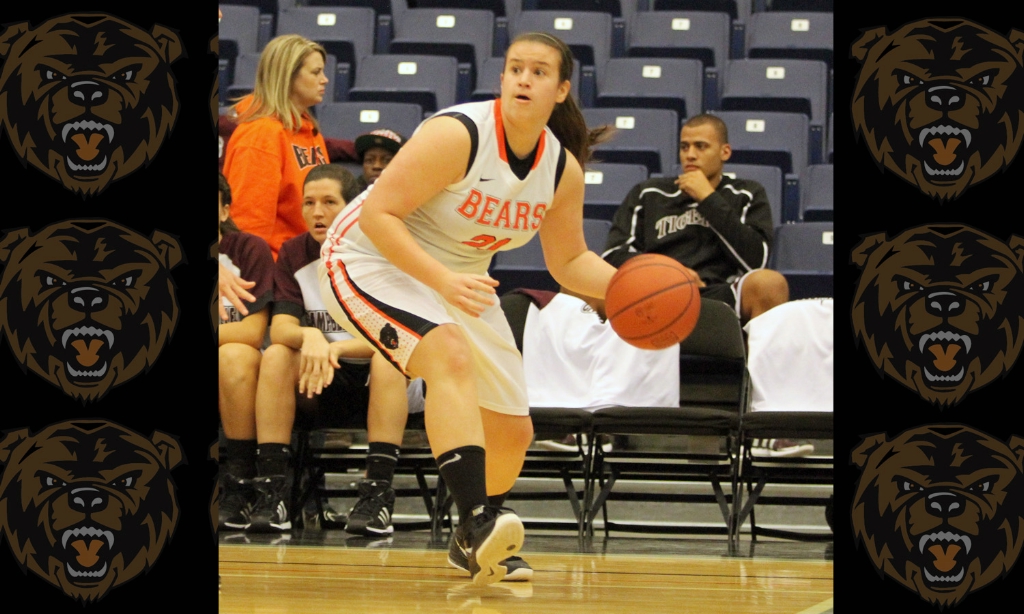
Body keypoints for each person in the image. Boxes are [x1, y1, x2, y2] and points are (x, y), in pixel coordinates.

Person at [319, 32, 614, 585]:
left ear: (561, 89)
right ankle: (480, 521)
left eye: (539, 72)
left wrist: (626, 289)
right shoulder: (458, 133)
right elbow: (380, 215)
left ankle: (467, 544)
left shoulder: (560, 169)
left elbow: (570, 260)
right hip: (370, 255)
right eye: (515, 69)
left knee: (512, 431)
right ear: (502, 79)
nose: (524, 79)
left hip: (460, 277)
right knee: (447, 354)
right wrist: (442, 281)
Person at [255, 164, 422, 534]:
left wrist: (338, 346)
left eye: (329, 202)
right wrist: (311, 337)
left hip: (384, 380)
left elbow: (399, 335)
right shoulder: (295, 253)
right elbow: (282, 328)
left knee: (388, 360)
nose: (317, 212)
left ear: (352, 208)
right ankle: (272, 490)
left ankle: (376, 494)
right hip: (322, 381)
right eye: (309, 203)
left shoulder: (383, 250)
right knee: (278, 354)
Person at [601, 113, 789, 323]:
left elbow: (756, 261)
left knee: (770, 283)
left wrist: (708, 198)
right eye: (684, 147)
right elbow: (613, 256)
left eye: (701, 146)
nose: (690, 155)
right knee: (582, 284)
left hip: (717, 294)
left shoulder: (746, 193)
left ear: (724, 152)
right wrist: (670, 273)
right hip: (655, 291)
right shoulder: (649, 192)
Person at [222, 34, 330, 259]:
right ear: (288, 76)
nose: (325, 80)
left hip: (308, 263)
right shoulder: (260, 135)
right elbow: (248, 224)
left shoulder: (308, 128)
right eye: (316, 72)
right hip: (276, 272)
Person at [217, 173, 276, 532]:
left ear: (224, 210)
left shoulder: (247, 249)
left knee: (235, 356)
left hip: (237, 363)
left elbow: (252, 332)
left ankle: (240, 481)